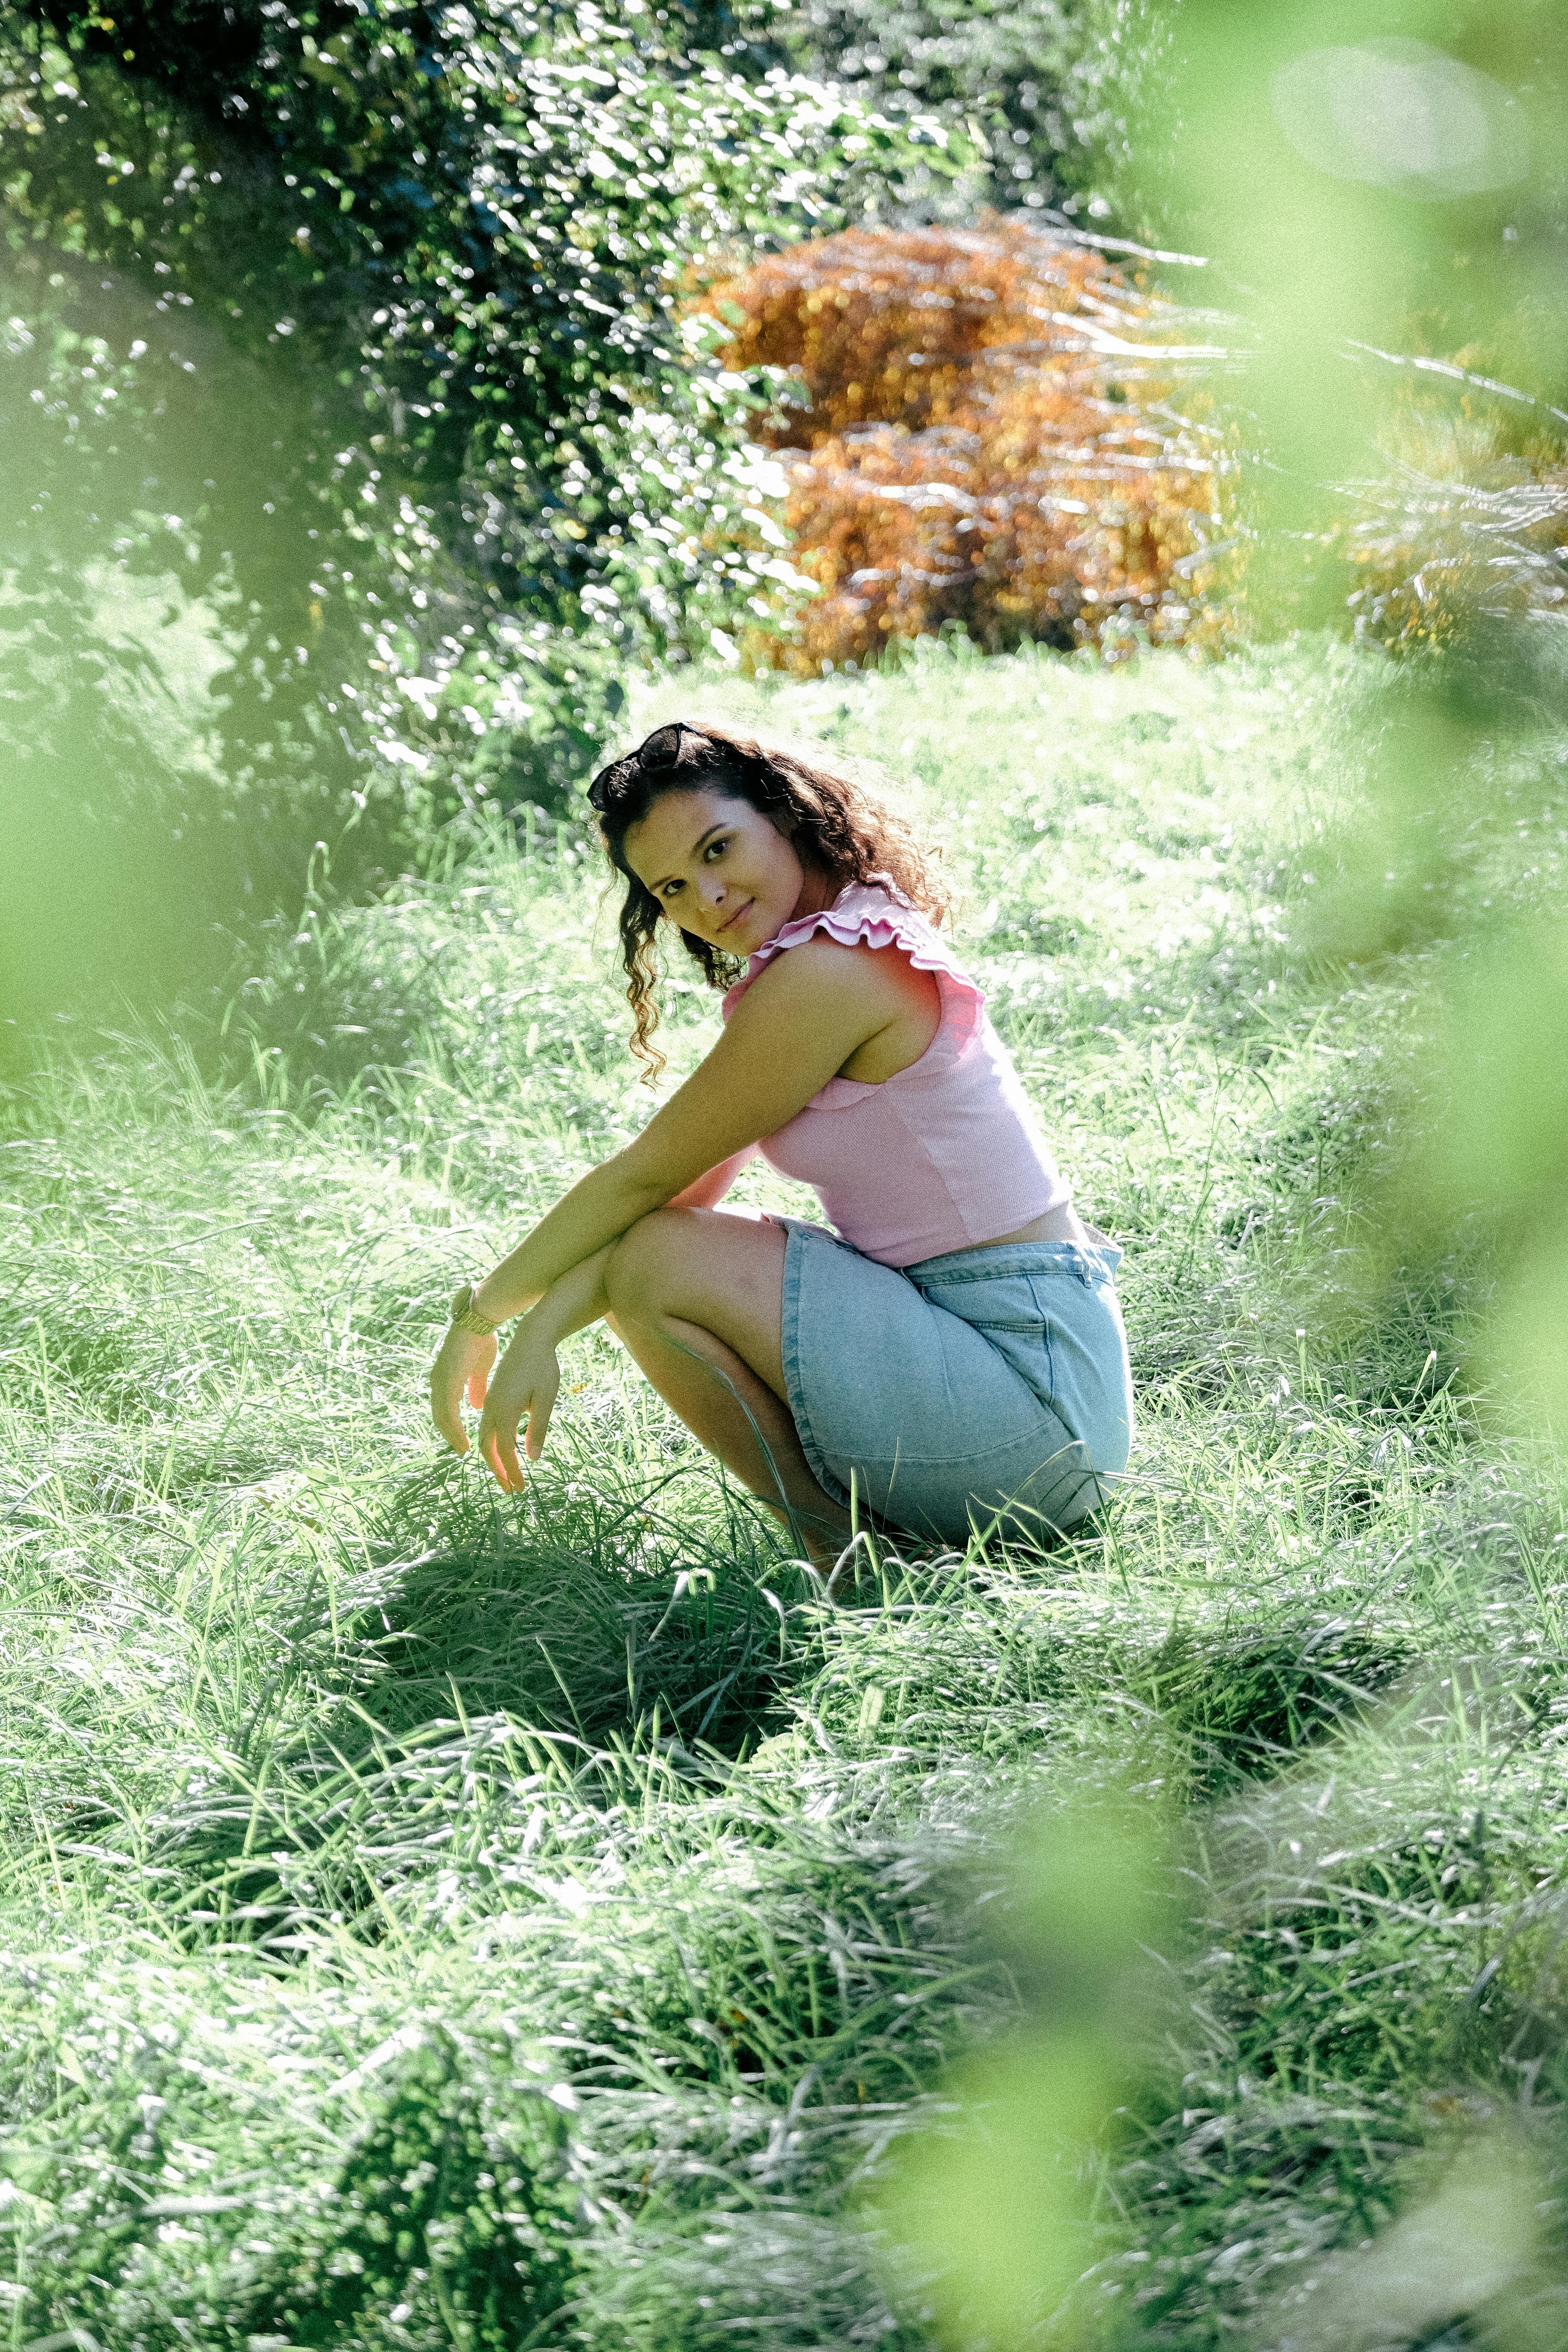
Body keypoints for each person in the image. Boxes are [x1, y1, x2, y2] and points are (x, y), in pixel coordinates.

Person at [429, 721, 1133, 1565]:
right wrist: (540, 1326)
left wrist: (484, 1317)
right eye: (673, 889)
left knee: (660, 1259)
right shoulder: (825, 950)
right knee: (662, 1254)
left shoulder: (834, 972)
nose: (707, 899)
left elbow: (640, 1181)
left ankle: (843, 1556)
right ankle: (849, 1548)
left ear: (784, 814)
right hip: (1008, 1377)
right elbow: (675, 1198)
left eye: (719, 849)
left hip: (1031, 1406)